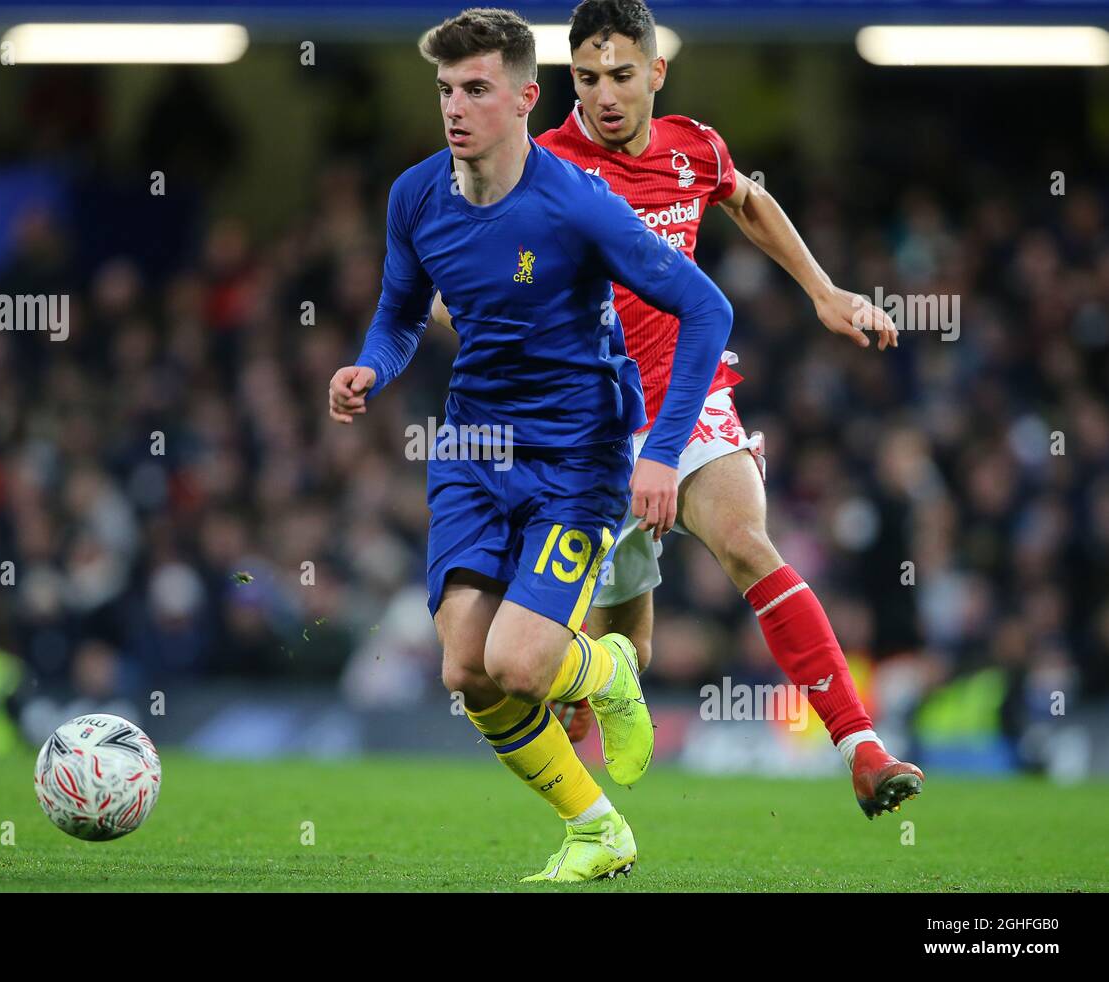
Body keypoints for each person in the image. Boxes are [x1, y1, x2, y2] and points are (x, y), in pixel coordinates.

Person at [433, 0, 924, 820]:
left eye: (622, 75)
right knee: (593, 658)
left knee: (744, 541)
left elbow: (748, 200)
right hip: (581, 431)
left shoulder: (694, 147)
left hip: (685, 408)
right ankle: (598, 714)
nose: (605, 96)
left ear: (655, 72)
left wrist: (824, 291)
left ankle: (860, 746)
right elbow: (458, 287)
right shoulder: (539, 163)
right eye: (586, 79)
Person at [329, 7, 733, 880]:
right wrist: (369, 366)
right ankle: (596, 828)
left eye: (476, 89)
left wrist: (663, 452)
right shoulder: (416, 195)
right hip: (472, 449)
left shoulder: (578, 203)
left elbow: (707, 308)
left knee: (519, 665)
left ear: (524, 98)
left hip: (574, 458)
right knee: (465, 671)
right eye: (446, 90)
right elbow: (401, 313)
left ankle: (609, 668)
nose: (456, 108)